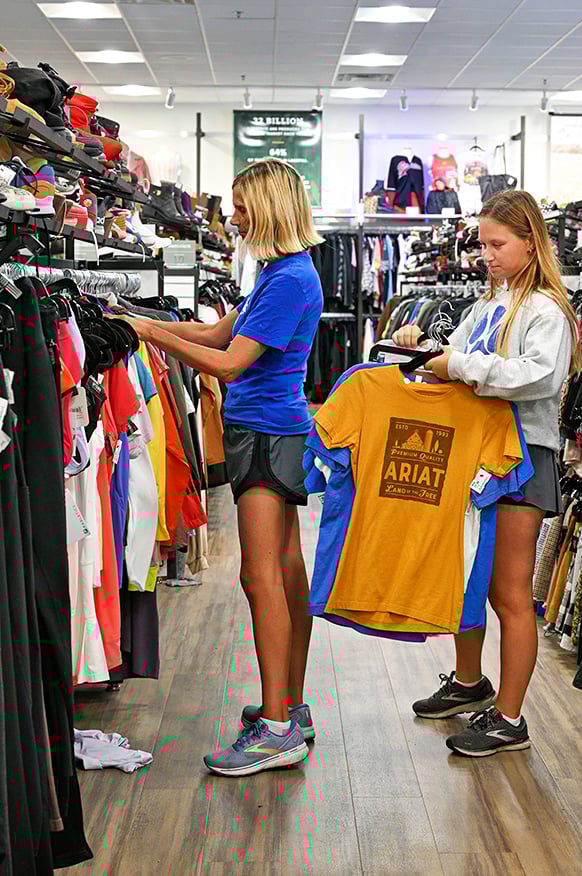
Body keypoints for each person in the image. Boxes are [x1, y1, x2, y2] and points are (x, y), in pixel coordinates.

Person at [122, 158, 323, 776]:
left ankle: (277, 729)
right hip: (273, 430)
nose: (232, 218)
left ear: (268, 208)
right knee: (284, 570)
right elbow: (216, 334)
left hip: (265, 433)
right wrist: (147, 322)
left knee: (261, 577)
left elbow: (231, 363)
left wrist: (150, 335)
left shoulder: (289, 279)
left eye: (241, 207)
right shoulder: (278, 272)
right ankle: (288, 705)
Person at [392, 189, 582, 757]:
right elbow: (457, 361)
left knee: (509, 592)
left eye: (498, 244)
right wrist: (421, 349)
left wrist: (458, 364)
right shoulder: (489, 304)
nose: (487, 255)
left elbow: (540, 377)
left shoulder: (545, 310)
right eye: (483, 244)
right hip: (477, 454)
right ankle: (469, 682)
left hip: (522, 459)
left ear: (531, 242)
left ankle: (510, 718)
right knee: (468, 573)